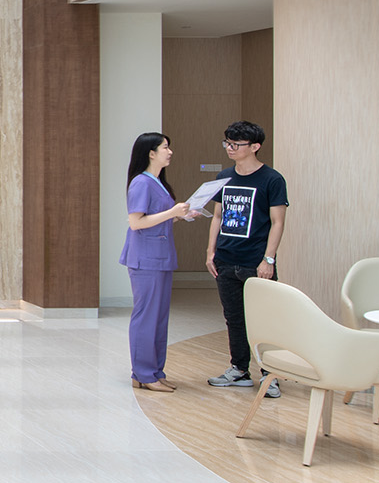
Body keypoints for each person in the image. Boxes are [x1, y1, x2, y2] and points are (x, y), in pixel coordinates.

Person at [193, 120, 288, 396]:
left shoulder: (272, 179)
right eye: (227, 143)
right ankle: (239, 370)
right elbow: (219, 216)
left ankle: (271, 374)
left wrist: (268, 260)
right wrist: (211, 251)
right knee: (233, 317)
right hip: (225, 259)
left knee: (264, 319)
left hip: (255, 262)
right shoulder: (224, 176)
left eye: (236, 144)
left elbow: (277, 222)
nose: (230, 148)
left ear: (255, 147)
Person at [122, 132, 191, 392]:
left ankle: (154, 371)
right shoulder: (141, 182)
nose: (169, 151)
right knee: (146, 317)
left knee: (159, 318)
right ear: (151, 153)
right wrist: (172, 212)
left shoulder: (158, 182)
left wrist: (179, 216)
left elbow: (158, 219)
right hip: (146, 259)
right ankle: (142, 373)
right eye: (165, 147)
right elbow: (136, 222)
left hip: (161, 257)